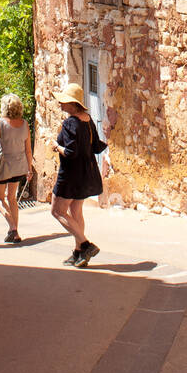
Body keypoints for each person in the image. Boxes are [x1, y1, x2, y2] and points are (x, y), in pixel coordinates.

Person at [50, 82, 106, 268]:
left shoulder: (69, 123)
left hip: (70, 175)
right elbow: (96, 145)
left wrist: (57, 147)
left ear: (73, 105)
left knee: (57, 211)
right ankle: (78, 253)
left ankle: (85, 244)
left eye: (64, 102)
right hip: (86, 172)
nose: (61, 105)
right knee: (76, 211)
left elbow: (70, 152)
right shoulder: (87, 120)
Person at [0, 94, 34, 244]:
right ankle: (15, 233)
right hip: (19, 166)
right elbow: (28, 150)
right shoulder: (24, 124)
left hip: (4, 166)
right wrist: (29, 169)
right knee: (12, 198)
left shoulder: (1, 123)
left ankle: (13, 228)